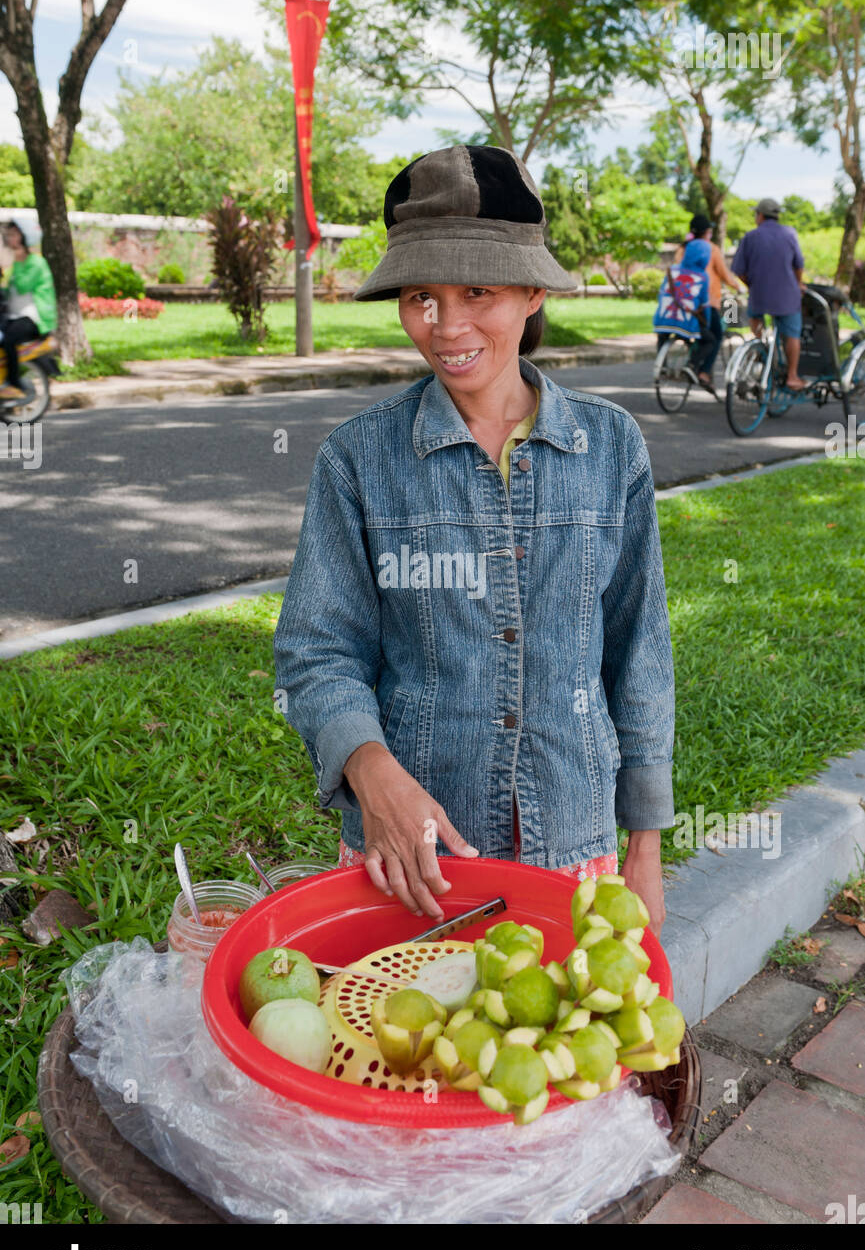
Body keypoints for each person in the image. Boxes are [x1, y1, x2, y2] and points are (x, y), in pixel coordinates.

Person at [273, 145, 676, 935]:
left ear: (531, 293)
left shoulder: (610, 447)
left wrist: (644, 852)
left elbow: (638, 653)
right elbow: (315, 651)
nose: (445, 325)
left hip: (574, 843)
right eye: (420, 295)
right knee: (410, 1049)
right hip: (413, 857)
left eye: (478, 291)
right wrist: (371, 770)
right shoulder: (358, 460)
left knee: (554, 1051)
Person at [731, 197, 806, 389]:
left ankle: (760, 347)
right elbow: (798, 265)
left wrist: (752, 285)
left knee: (755, 318)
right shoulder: (789, 234)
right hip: (787, 297)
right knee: (792, 334)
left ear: (761, 215)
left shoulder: (750, 237)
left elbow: (739, 270)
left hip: (759, 295)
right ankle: (792, 376)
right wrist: (798, 285)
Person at [684, 214, 743, 388]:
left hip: (686, 302)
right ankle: (704, 371)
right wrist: (739, 287)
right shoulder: (711, 249)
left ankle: (693, 362)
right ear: (707, 232)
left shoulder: (684, 248)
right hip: (707, 301)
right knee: (716, 336)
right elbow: (725, 274)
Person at [0, 221, 57, 401]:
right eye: (8, 235)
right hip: (15, 315)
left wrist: (14, 262)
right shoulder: (14, 263)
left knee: (8, 340)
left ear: (23, 236)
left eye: (14, 234)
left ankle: (14, 384)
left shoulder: (35, 262)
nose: (11, 239)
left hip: (34, 317)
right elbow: (8, 291)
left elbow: (24, 285)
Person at [653, 237, 713, 383]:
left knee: (662, 336)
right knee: (710, 340)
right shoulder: (702, 276)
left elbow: (662, 293)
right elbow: (704, 304)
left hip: (663, 318)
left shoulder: (672, 270)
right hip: (685, 322)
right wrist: (707, 322)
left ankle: (663, 366)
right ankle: (691, 365)